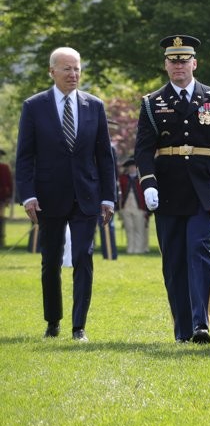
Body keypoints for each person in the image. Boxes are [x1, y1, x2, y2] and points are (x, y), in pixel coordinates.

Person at [15, 47, 116, 341]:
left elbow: (104, 156)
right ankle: (52, 321)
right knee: (51, 262)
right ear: (52, 72)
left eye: (77, 69)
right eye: (67, 69)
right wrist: (28, 195)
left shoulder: (94, 105)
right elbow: (25, 157)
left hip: (87, 195)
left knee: (84, 258)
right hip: (48, 197)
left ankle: (78, 326)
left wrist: (108, 197)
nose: (73, 75)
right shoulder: (34, 106)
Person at [135, 35, 210, 345]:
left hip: (204, 189)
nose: (179, 66)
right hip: (169, 190)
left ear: (194, 63)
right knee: (174, 261)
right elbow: (144, 149)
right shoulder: (152, 103)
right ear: (166, 66)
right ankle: (182, 329)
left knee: (198, 250)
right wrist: (148, 182)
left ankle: (202, 323)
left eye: (184, 60)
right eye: (173, 61)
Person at [118, 158, 149, 254]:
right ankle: (130, 248)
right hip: (126, 207)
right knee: (129, 228)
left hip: (139, 208)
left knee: (139, 229)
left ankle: (138, 249)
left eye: (133, 167)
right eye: (130, 167)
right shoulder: (122, 178)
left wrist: (146, 209)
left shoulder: (142, 178)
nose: (132, 169)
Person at [0, 149, 12, 249]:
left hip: (1, 198)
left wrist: (7, 197)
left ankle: (1, 239)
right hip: (3, 197)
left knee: (1, 219)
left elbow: (8, 184)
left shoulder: (4, 167)